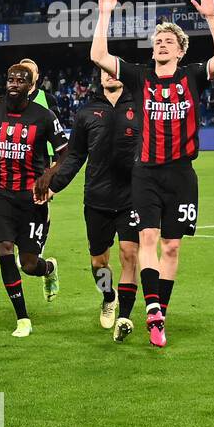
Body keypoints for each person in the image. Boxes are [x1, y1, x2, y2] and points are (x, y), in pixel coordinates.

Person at [89, 0, 214, 348]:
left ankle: (159, 315)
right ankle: (151, 308)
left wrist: (212, 19)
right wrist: (104, 14)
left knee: (172, 247)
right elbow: (99, 55)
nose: (162, 44)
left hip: (182, 174)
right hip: (147, 172)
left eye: (169, 41)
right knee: (147, 239)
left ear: (181, 50)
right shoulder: (139, 77)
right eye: (158, 40)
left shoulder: (192, 76)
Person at [0, 63, 69, 338]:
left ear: (31, 86)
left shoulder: (44, 117)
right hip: (0, 194)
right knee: (4, 251)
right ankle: (22, 318)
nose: (14, 82)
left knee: (29, 264)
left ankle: (49, 269)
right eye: (11, 78)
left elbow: (65, 154)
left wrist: (48, 174)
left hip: (32, 197)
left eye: (21, 79)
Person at [36, 67, 142, 342]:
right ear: (100, 78)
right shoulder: (86, 113)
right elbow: (74, 157)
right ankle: (109, 296)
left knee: (130, 255)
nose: (110, 75)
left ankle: (124, 317)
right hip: (97, 198)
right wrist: (54, 187)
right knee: (99, 262)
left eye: (114, 70)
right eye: (105, 72)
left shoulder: (141, 107)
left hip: (133, 197)